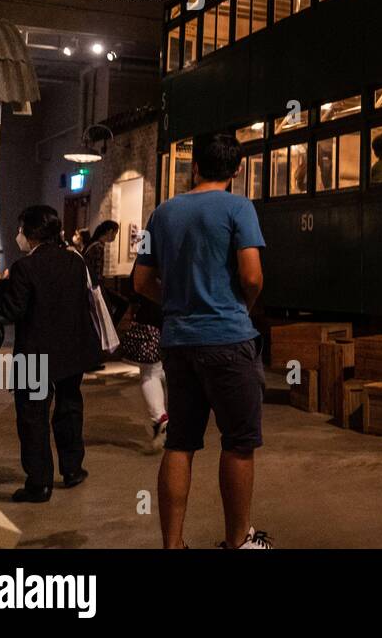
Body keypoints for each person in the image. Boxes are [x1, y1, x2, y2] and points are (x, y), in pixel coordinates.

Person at [133, 132, 270, 549]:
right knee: (239, 445)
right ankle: (237, 542)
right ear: (238, 170)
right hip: (228, 339)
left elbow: (140, 281)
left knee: (180, 443)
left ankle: (172, 545)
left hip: (179, 342)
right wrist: (239, 307)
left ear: (194, 167)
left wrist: (177, 301)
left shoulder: (162, 213)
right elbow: (251, 275)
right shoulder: (238, 207)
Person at [0, 206, 102, 503]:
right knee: (69, 408)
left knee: (33, 416)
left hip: (34, 353)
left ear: (30, 234)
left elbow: (11, 311)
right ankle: (72, 470)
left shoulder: (23, 268)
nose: (18, 236)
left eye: (20, 230)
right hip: (71, 349)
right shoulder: (74, 261)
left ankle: (39, 483)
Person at [120, 263, 167, 450]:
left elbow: (136, 282)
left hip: (151, 315)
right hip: (183, 315)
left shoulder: (151, 239)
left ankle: (161, 419)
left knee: (150, 372)